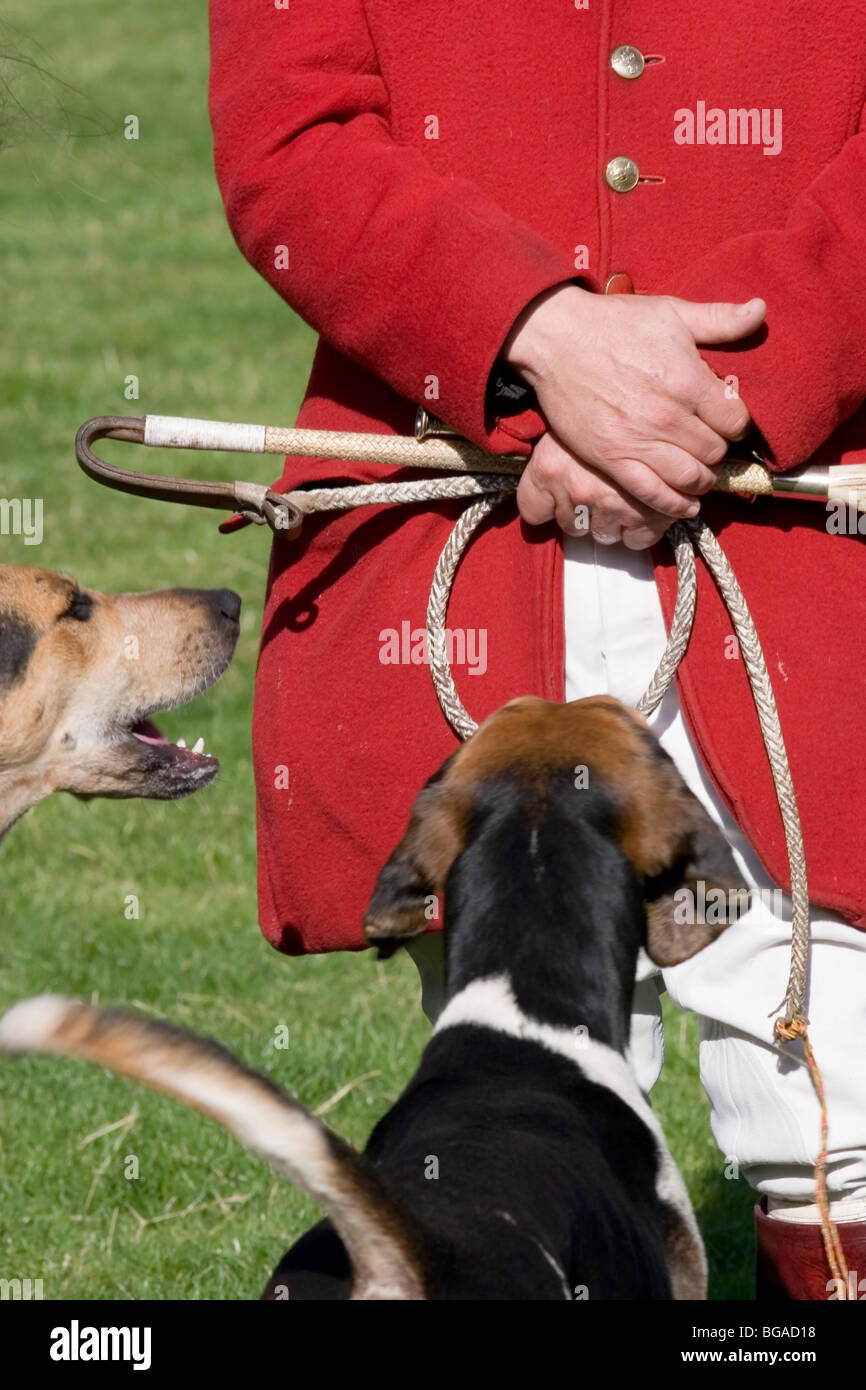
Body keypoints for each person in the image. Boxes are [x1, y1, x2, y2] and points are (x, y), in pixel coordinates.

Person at [208, 3, 866, 1298]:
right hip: (453, 528)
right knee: (519, 1119)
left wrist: (721, 385)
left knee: (836, 1097)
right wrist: (533, 342)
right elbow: (291, 131)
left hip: (794, 522)